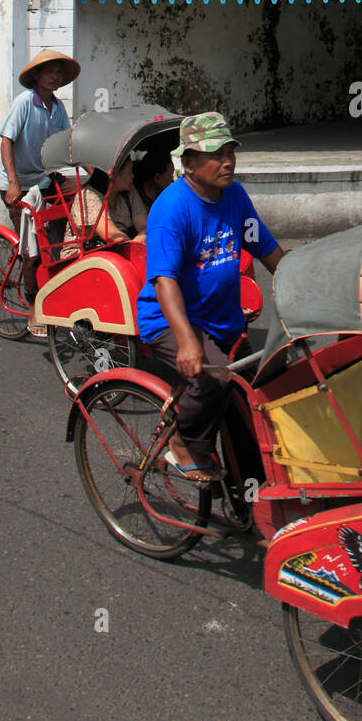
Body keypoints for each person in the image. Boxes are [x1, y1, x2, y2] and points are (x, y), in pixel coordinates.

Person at [136, 112, 284, 484]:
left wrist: (306, 287)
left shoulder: (233, 195)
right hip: (172, 320)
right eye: (216, 154)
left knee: (268, 384)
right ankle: (183, 444)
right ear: (187, 163)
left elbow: (265, 246)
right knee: (214, 379)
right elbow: (164, 281)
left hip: (224, 319)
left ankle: (250, 498)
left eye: (230, 152)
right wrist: (188, 343)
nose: (227, 161)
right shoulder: (171, 209)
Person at [0, 48, 79, 334]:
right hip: (18, 185)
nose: (55, 77)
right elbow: (6, 140)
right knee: (32, 252)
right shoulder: (24, 103)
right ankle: (34, 309)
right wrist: (12, 181)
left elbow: (68, 142)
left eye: (59, 72)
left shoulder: (57, 107)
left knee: (54, 246)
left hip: (43, 183)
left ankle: (53, 298)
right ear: (37, 75)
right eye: (51, 71)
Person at [60, 158, 146, 261]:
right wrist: (135, 245)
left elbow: (143, 225)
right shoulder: (88, 195)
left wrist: (142, 236)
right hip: (85, 255)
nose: (132, 176)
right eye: (129, 172)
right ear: (115, 175)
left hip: (121, 247)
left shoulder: (128, 190)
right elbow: (112, 235)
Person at [127, 144, 175, 235]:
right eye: (171, 176)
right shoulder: (133, 196)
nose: (173, 181)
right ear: (157, 178)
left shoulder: (165, 197)